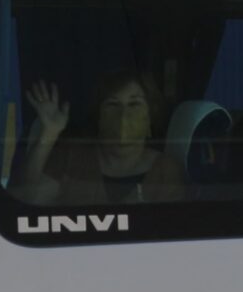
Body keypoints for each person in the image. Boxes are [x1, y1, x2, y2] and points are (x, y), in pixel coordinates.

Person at [12, 70, 185, 204]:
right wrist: (49, 133)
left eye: (134, 104)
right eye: (112, 104)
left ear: (150, 115)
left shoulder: (166, 170)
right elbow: (29, 198)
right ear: (99, 116)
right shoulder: (72, 157)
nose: (123, 113)